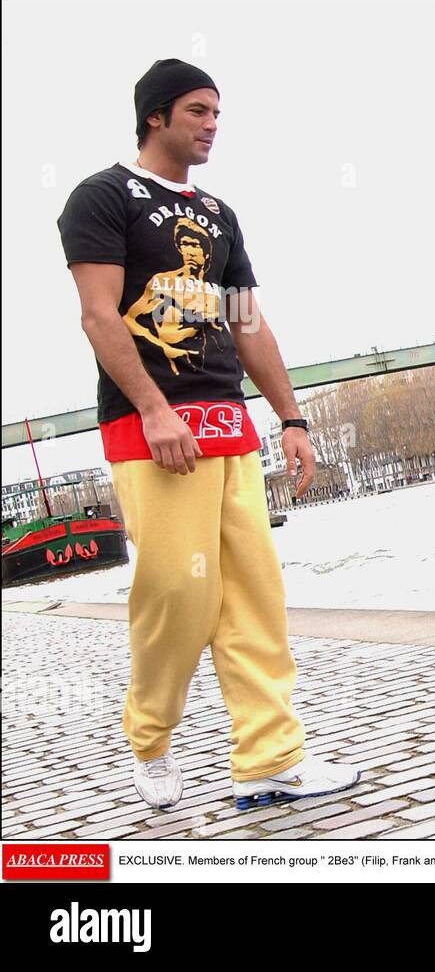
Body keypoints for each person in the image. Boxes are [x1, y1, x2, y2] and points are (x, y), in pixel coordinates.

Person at [58, 59, 360, 809]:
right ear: (155, 116)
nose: (212, 124)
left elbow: (248, 324)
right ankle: (150, 735)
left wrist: (290, 419)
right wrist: (154, 409)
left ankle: (268, 760)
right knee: (177, 596)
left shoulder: (220, 214)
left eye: (218, 113)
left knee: (255, 598)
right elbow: (99, 314)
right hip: (150, 431)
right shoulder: (102, 196)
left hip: (227, 428)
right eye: (198, 111)